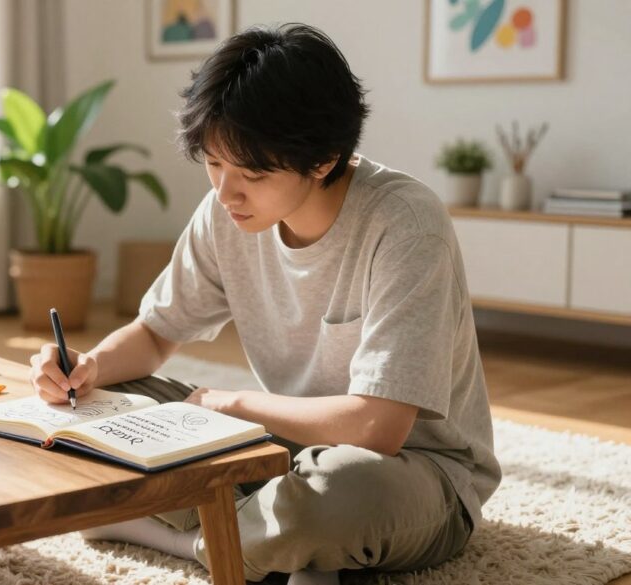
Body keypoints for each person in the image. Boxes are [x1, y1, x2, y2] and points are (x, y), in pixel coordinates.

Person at [29, 23, 501, 585]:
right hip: (279, 450)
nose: (226, 192)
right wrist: (86, 370)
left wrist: (235, 406)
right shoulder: (225, 213)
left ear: (323, 160)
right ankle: (286, 549)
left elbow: (379, 428)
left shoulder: (406, 226)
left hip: (411, 473)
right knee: (95, 410)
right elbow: (155, 334)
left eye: (251, 173)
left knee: (331, 496)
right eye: (213, 163)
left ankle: (190, 538)